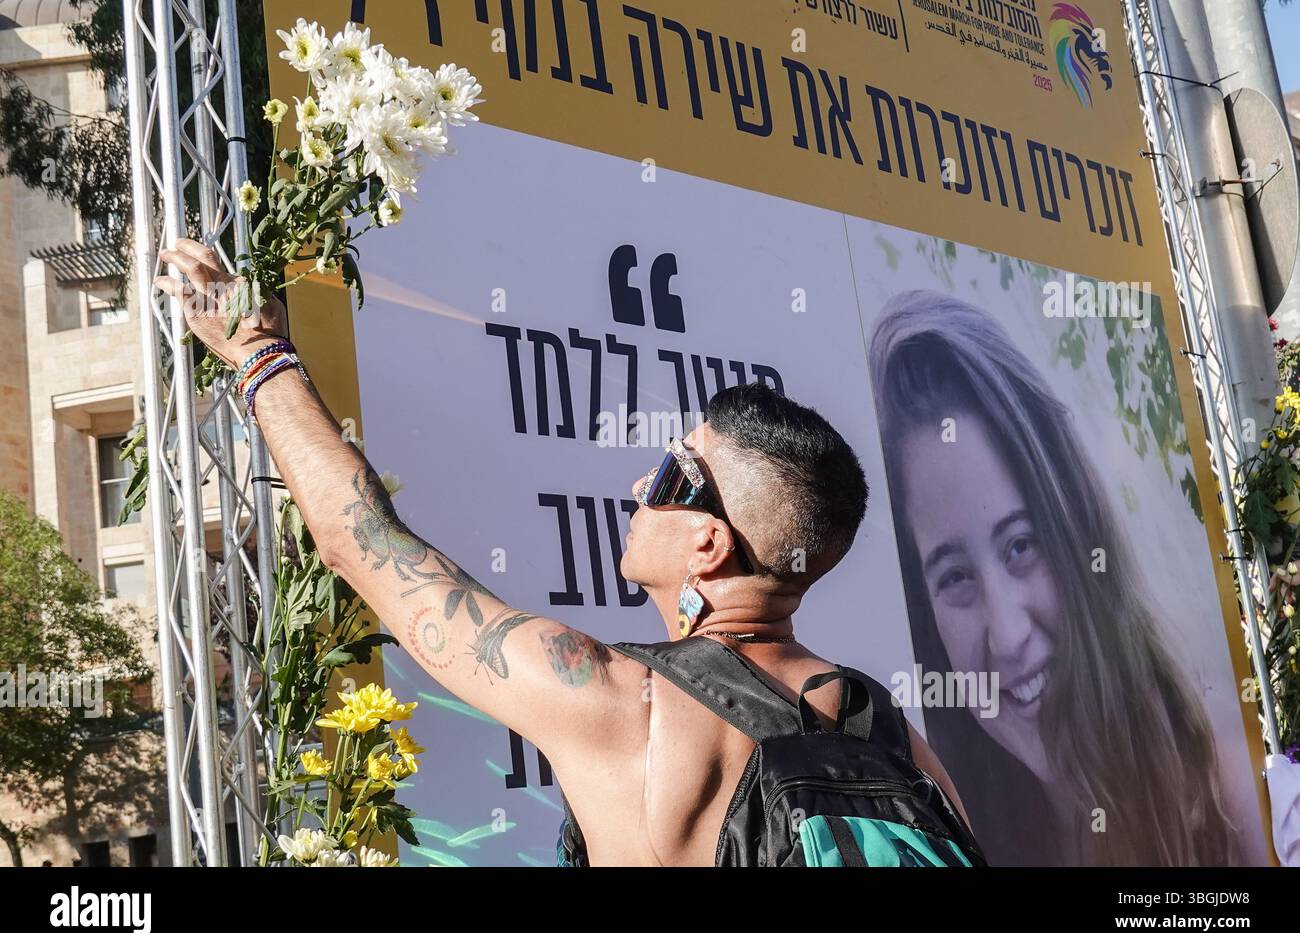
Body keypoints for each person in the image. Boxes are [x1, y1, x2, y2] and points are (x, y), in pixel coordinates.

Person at [155, 239, 969, 866]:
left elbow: (364, 544)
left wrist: (256, 351)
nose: (637, 484)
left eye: (671, 473)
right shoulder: (890, 733)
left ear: (709, 543)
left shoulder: (625, 706)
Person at [869, 289, 1243, 865]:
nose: (1010, 633)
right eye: (955, 577)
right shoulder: (957, 839)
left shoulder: (1223, 777)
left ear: (1075, 532)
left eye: (1021, 544)